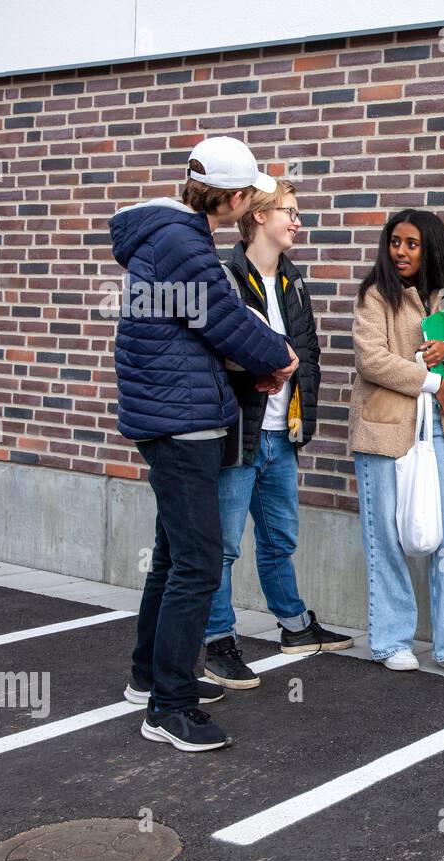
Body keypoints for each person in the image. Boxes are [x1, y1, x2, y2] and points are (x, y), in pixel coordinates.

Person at [110, 135, 299, 752]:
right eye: (252, 198)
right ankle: (169, 707)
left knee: (172, 556)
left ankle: (150, 678)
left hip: (171, 416)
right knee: (195, 562)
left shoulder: (169, 235)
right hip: (180, 422)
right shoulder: (183, 244)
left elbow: (208, 327)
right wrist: (278, 359)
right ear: (237, 197)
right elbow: (224, 320)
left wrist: (256, 363)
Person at [200, 179, 353, 689]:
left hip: (281, 434)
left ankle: (293, 625)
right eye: (290, 211)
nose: (298, 221)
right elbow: (217, 352)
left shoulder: (293, 281)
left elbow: (307, 355)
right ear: (259, 216)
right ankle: (218, 640)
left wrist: (302, 418)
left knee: (279, 539)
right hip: (240, 430)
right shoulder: (225, 276)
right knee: (223, 547)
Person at [349, 209, 444, 676]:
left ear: (431, 249)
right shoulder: (376, 295)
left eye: (412, 244)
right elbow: (372, 361)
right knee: (384, 536)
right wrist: (430, 379)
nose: (400, 252)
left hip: (439, 435)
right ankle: (390, 640)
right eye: (395, 242)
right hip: (384, 432)